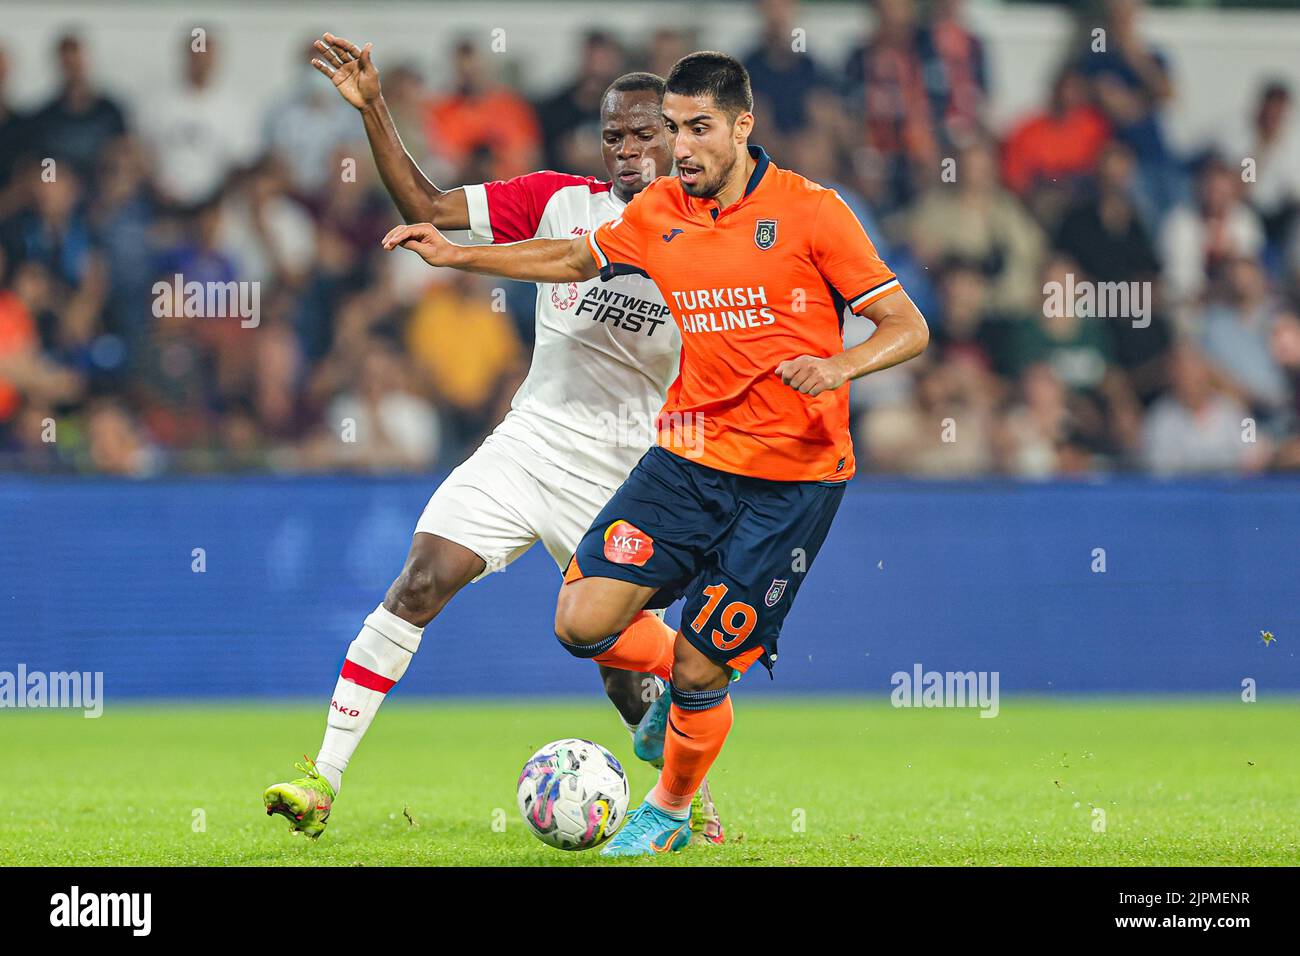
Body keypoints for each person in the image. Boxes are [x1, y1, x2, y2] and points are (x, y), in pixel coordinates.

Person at [380, 52, 929, 855]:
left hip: (791, 480)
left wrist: (840, 365)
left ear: (744, 126)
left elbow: (907, 327)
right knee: (580, 620)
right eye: (673, 129)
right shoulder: (662, 209)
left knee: (705, 673)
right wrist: (460, 256)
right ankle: (679, 692)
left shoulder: (813, 213)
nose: (680, 147)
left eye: (698, 129)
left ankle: (670, 809)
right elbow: (575, 258)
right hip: (687, 458)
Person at [262, 34, 725, 844]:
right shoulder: (559, 202)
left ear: (683, 135)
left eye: (645, 132)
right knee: (419, 579)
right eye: (613, 134)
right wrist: (375, 108)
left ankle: (683, 798)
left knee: (619, 674)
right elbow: (431, 208)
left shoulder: (714, 239)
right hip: (531, 443)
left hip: (628, 471)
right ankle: (322, 778)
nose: (626, 148)